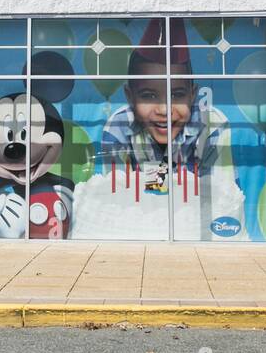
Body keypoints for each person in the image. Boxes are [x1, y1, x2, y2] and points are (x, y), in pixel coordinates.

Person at [71, 18, 245, 241]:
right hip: (139, 227)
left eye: (177, 95)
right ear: (130, 97)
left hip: (196, 228)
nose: (164, 109)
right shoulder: (119, 127)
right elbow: (116, 196)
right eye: (149, 96)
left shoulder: (212, 124)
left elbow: (224, 194)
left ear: (193, 94)